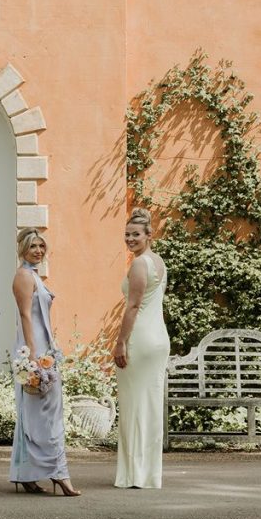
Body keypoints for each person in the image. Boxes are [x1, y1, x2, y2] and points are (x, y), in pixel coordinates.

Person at [9, 228, 81, 496]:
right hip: (34, 348)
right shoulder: (23, 276)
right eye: (33, 246)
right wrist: (34, 357)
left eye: (41, 246)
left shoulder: (33, 275)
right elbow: (26, 317)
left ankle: (26, 473)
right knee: (44, 412)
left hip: (44, 344)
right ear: (22, 249)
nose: (38, 251)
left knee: (40, 412)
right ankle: (59, 472)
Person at [114, 208, 170, 489]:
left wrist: (121, 341)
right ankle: (148, 473)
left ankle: (135, 474)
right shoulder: (159, 263)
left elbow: (133, 306)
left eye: (136, 234)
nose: (130, 238)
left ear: (149, 235)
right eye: (127, 234)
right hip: (159, 338)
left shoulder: (139, 265)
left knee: (135, 404)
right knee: (149, 404)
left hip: (141, 339)